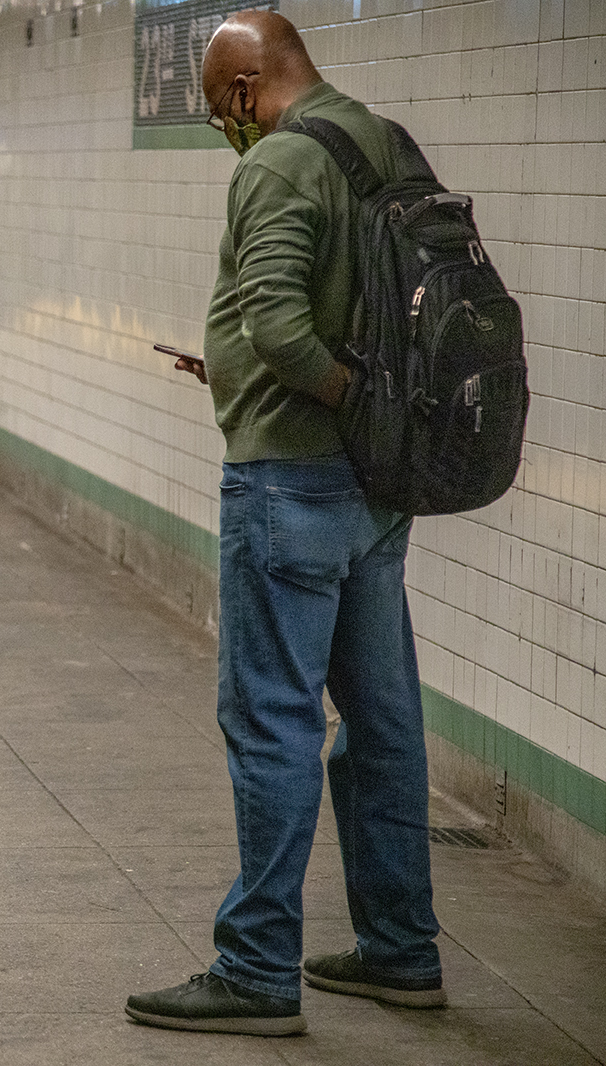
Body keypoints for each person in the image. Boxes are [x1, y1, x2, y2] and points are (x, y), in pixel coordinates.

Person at [124, 9, 444, 1037]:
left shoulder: (278, 163)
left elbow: (277, 321)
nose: (230, 124)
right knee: (383, 725)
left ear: (249, 84)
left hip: (291, 481)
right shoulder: (388, 142)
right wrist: (371, 407)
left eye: (227, 105)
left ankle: (257, 966)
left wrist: (339, 391)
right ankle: (401, 951)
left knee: (272, 722)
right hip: (378, 492)